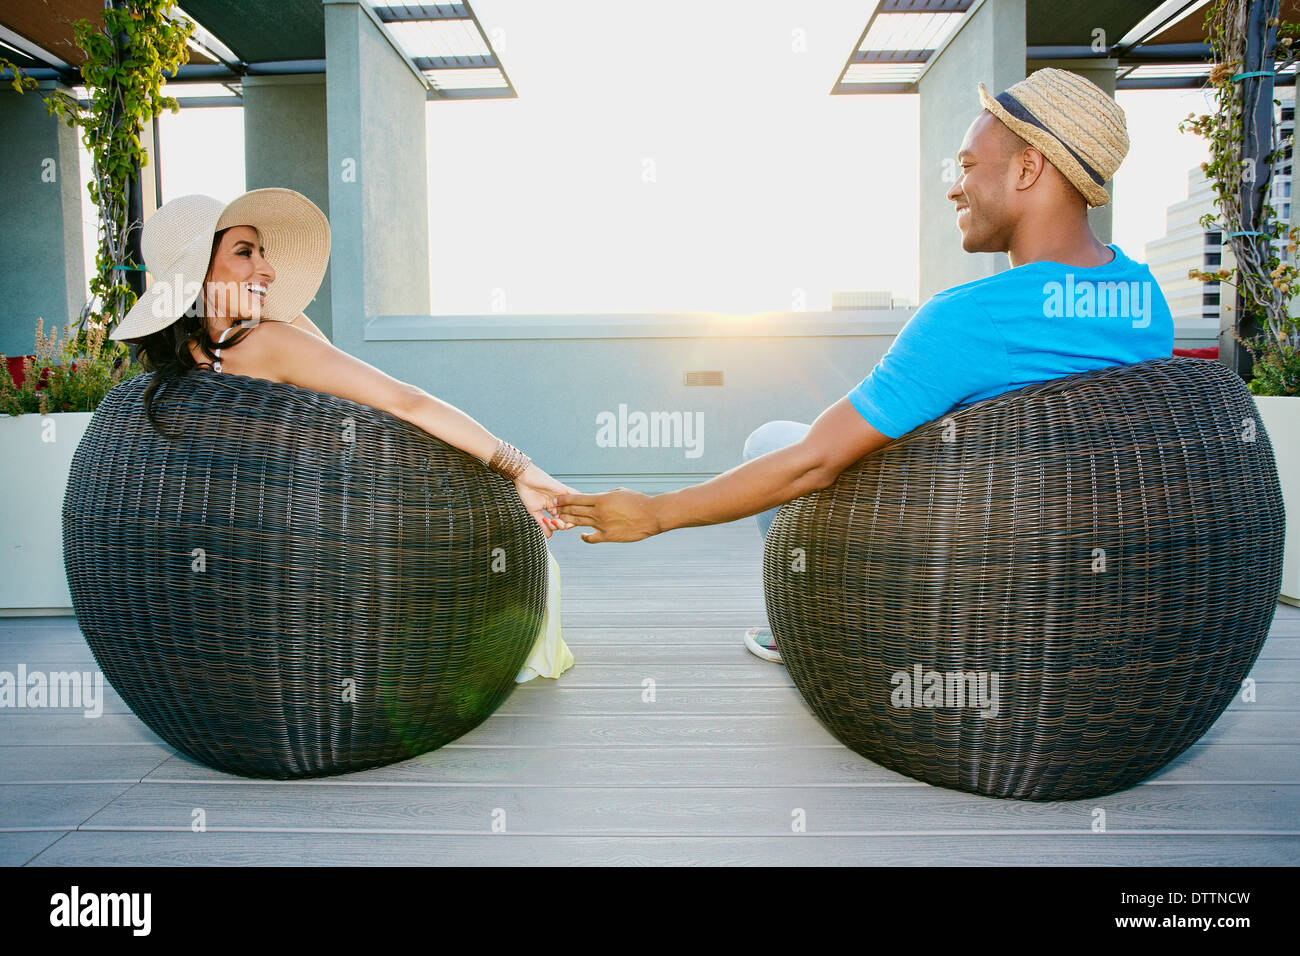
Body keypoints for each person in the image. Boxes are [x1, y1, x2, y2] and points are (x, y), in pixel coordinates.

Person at [554, 68, 1175, 664]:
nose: (953, 187)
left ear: (1028, 167)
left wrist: (659, 512)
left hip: (959, 569)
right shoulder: (1146, 302)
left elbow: (816, 461)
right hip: (1076, 573)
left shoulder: (970, 318)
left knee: (775, 440)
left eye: (967, 168)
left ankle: (805, 625)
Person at [111, 187, 574, 681]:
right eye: (245, 252)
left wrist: (263, 307)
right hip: (339, 550)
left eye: (264, 254)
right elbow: (403, 400)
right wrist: (518, 466)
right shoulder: (268, 343)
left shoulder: (187, 371)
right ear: (201, 274)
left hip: (238, 569)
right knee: (526, 548)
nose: (266, 268)